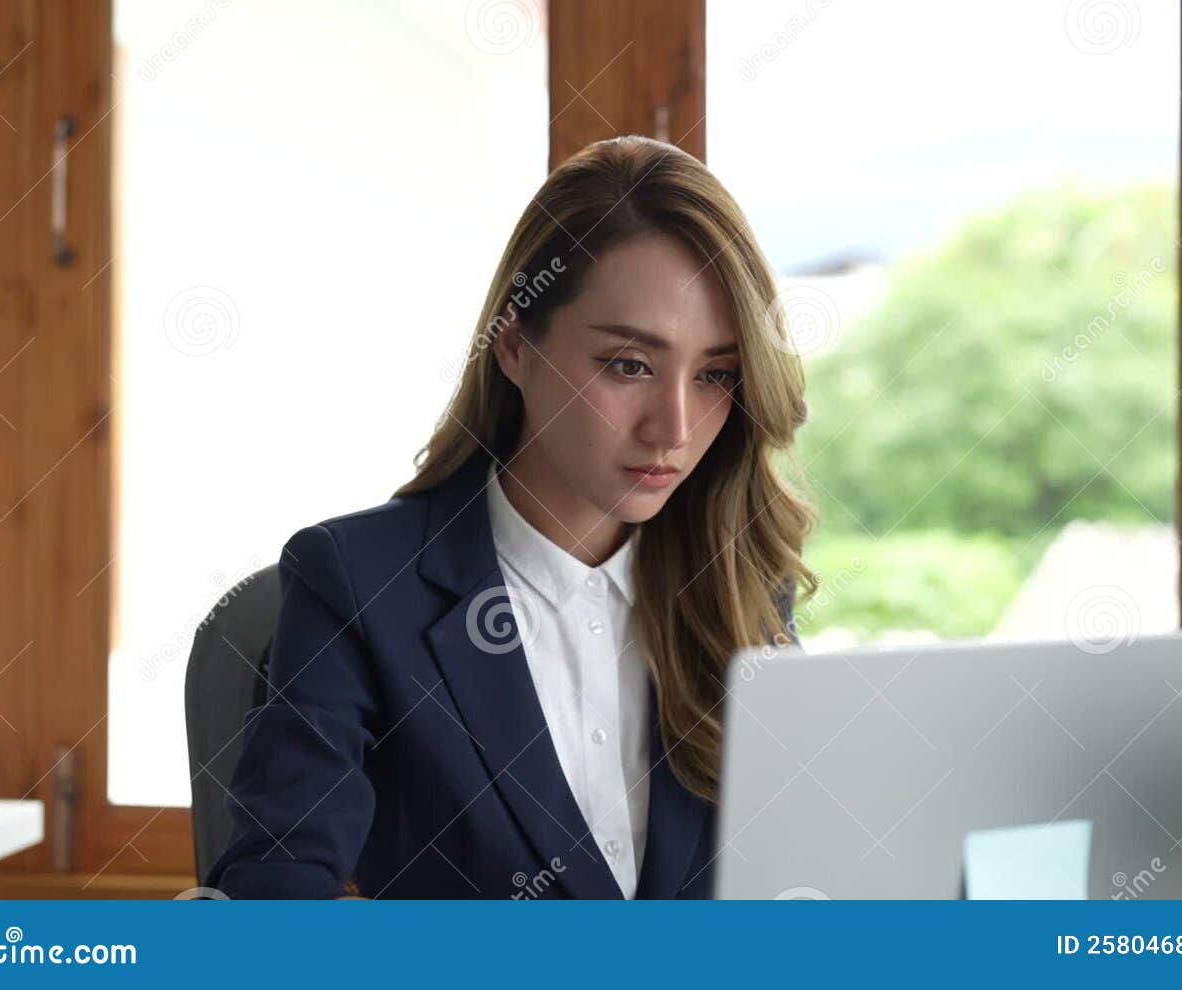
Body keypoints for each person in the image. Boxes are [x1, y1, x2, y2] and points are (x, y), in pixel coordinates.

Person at [205, 135, 817, 899]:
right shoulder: (358, 584)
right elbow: (274, 898)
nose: (676, 428)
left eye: (716, 375)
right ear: (517, 346)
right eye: (630, 365)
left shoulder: (741, 585)